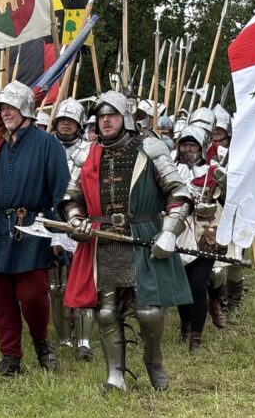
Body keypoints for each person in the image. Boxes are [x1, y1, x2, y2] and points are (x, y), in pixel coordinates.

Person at [60, 91, 192, 392]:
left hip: (143, 235)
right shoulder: (88, 155)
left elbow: (179, 193)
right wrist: (77, 220)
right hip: (104, 240)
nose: (105, 120)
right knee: (106, 311)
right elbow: (72, 198)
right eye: (101, 116)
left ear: (127, 119)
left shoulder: (150, 148)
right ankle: (115, 374)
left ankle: (153, 362)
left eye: (112, 115)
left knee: (150, 312)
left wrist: (170, 231)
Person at [0, 81, 70, 376]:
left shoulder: (47, 144)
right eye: (1, 108)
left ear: (27, 108)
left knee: (32, 294)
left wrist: (58, 233)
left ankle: (41, 343)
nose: (5, 113)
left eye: (10, 107)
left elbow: (60, 190)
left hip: (32, 226)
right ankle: (10, 356)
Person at [48, 97, 95, 360]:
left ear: (78, 124)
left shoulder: (90, 150)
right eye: (62, 121)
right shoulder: (46, 147)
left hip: (82, 216)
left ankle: (84, 339)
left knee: (84, 280)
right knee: (56, 286)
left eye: (71, 121)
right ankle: (64, 337)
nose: (66, 125)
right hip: (53, 219)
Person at [173, 124, 226, 350]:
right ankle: (185, 325)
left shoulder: (214, 170)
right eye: (184, 144)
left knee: (197, 284)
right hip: (176, 230)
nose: (187, 148)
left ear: (202, 147)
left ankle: (196, 336)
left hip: (206, 232)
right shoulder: (171, 169)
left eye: (192, 144)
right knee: (180, 284)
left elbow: (228, 200)